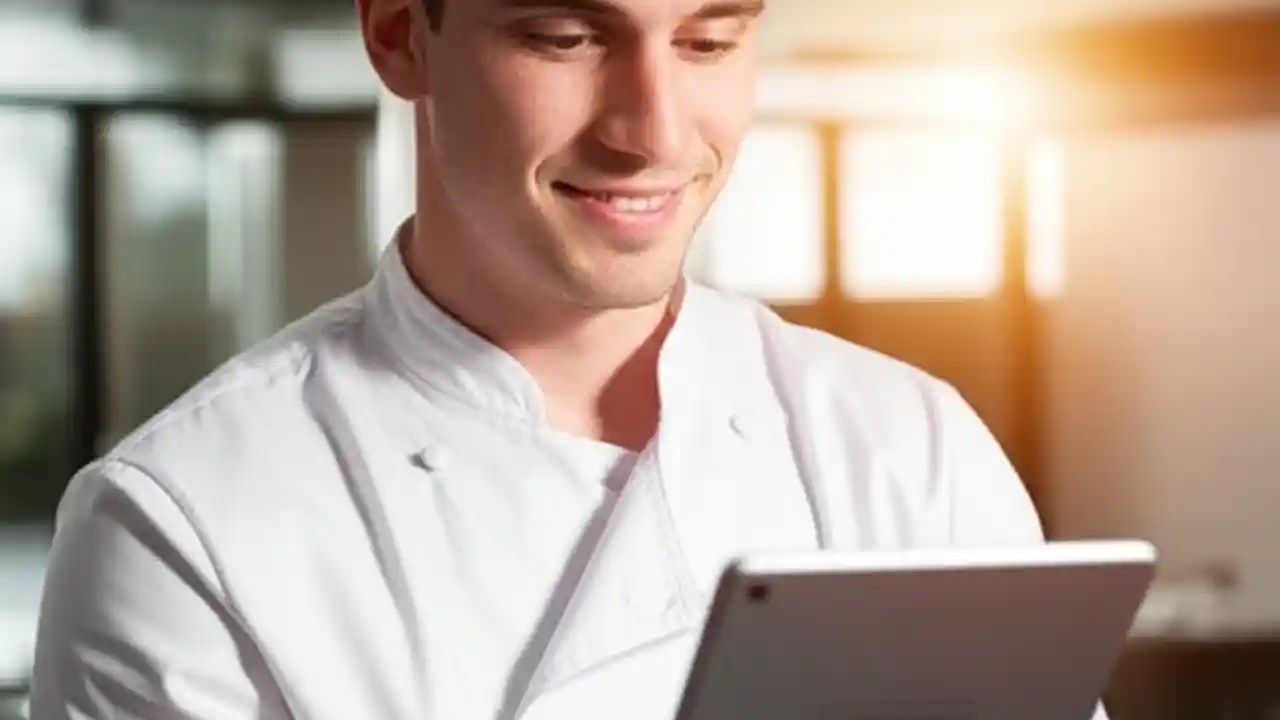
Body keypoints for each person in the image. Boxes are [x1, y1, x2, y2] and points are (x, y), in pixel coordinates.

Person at [31, 0, 1094, 718]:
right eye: (565, 36)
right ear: (400, 33)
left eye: (706, 40)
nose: (650, 131)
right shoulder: (179, 521)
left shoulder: (906, 445)